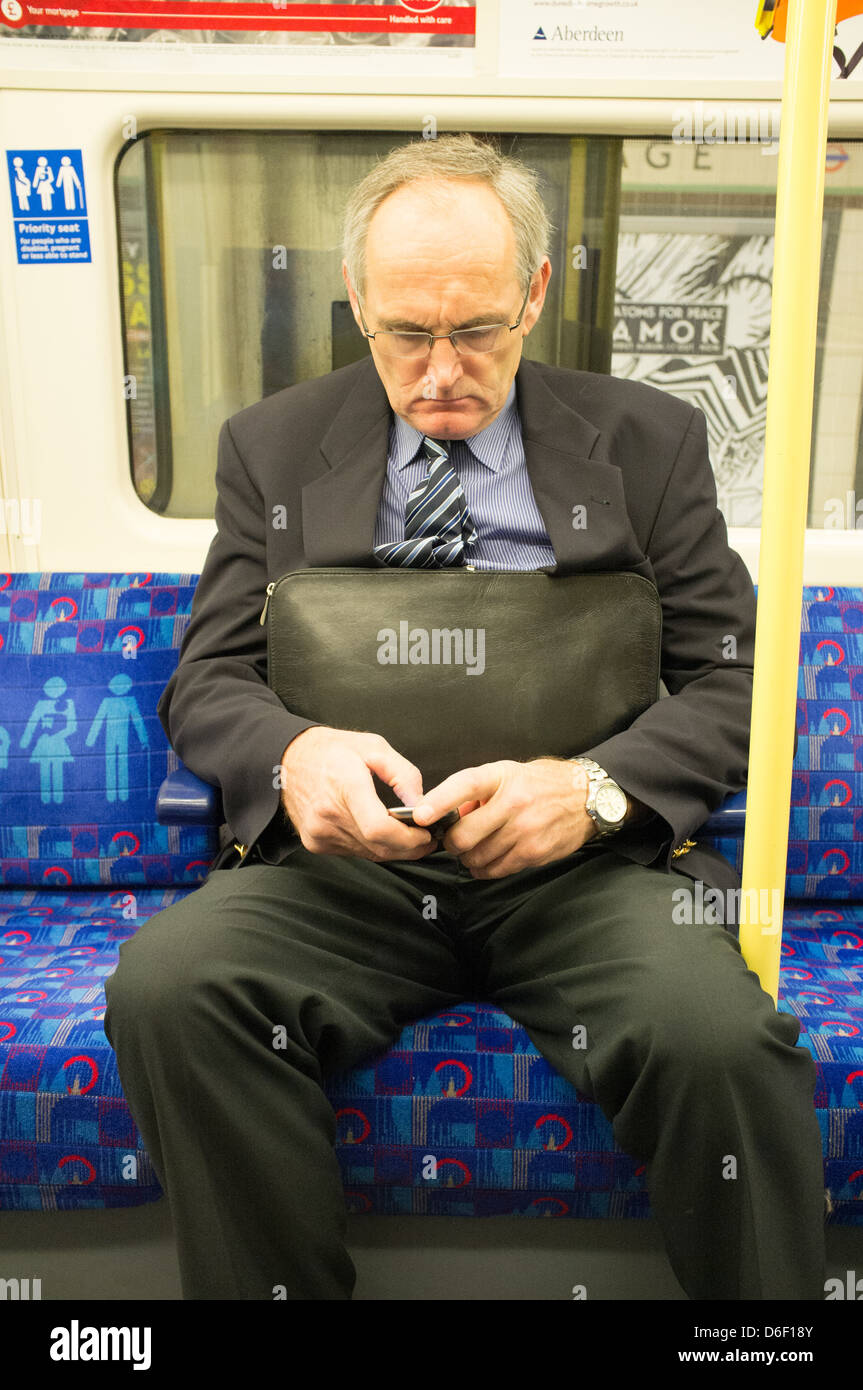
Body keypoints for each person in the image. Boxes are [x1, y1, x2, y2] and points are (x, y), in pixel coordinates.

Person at [103, 133, 826, 1301]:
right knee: (168, 985)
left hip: (580, 877)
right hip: (346, 879)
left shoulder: (645, 445)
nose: (440, 370)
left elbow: (738, 679)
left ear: (534, 294)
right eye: (404, 333)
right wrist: (294, 753)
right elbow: (209, 679)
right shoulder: (272, 447)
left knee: (718, 1044)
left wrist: (588, 792)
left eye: (477, 329)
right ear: (356, 303)